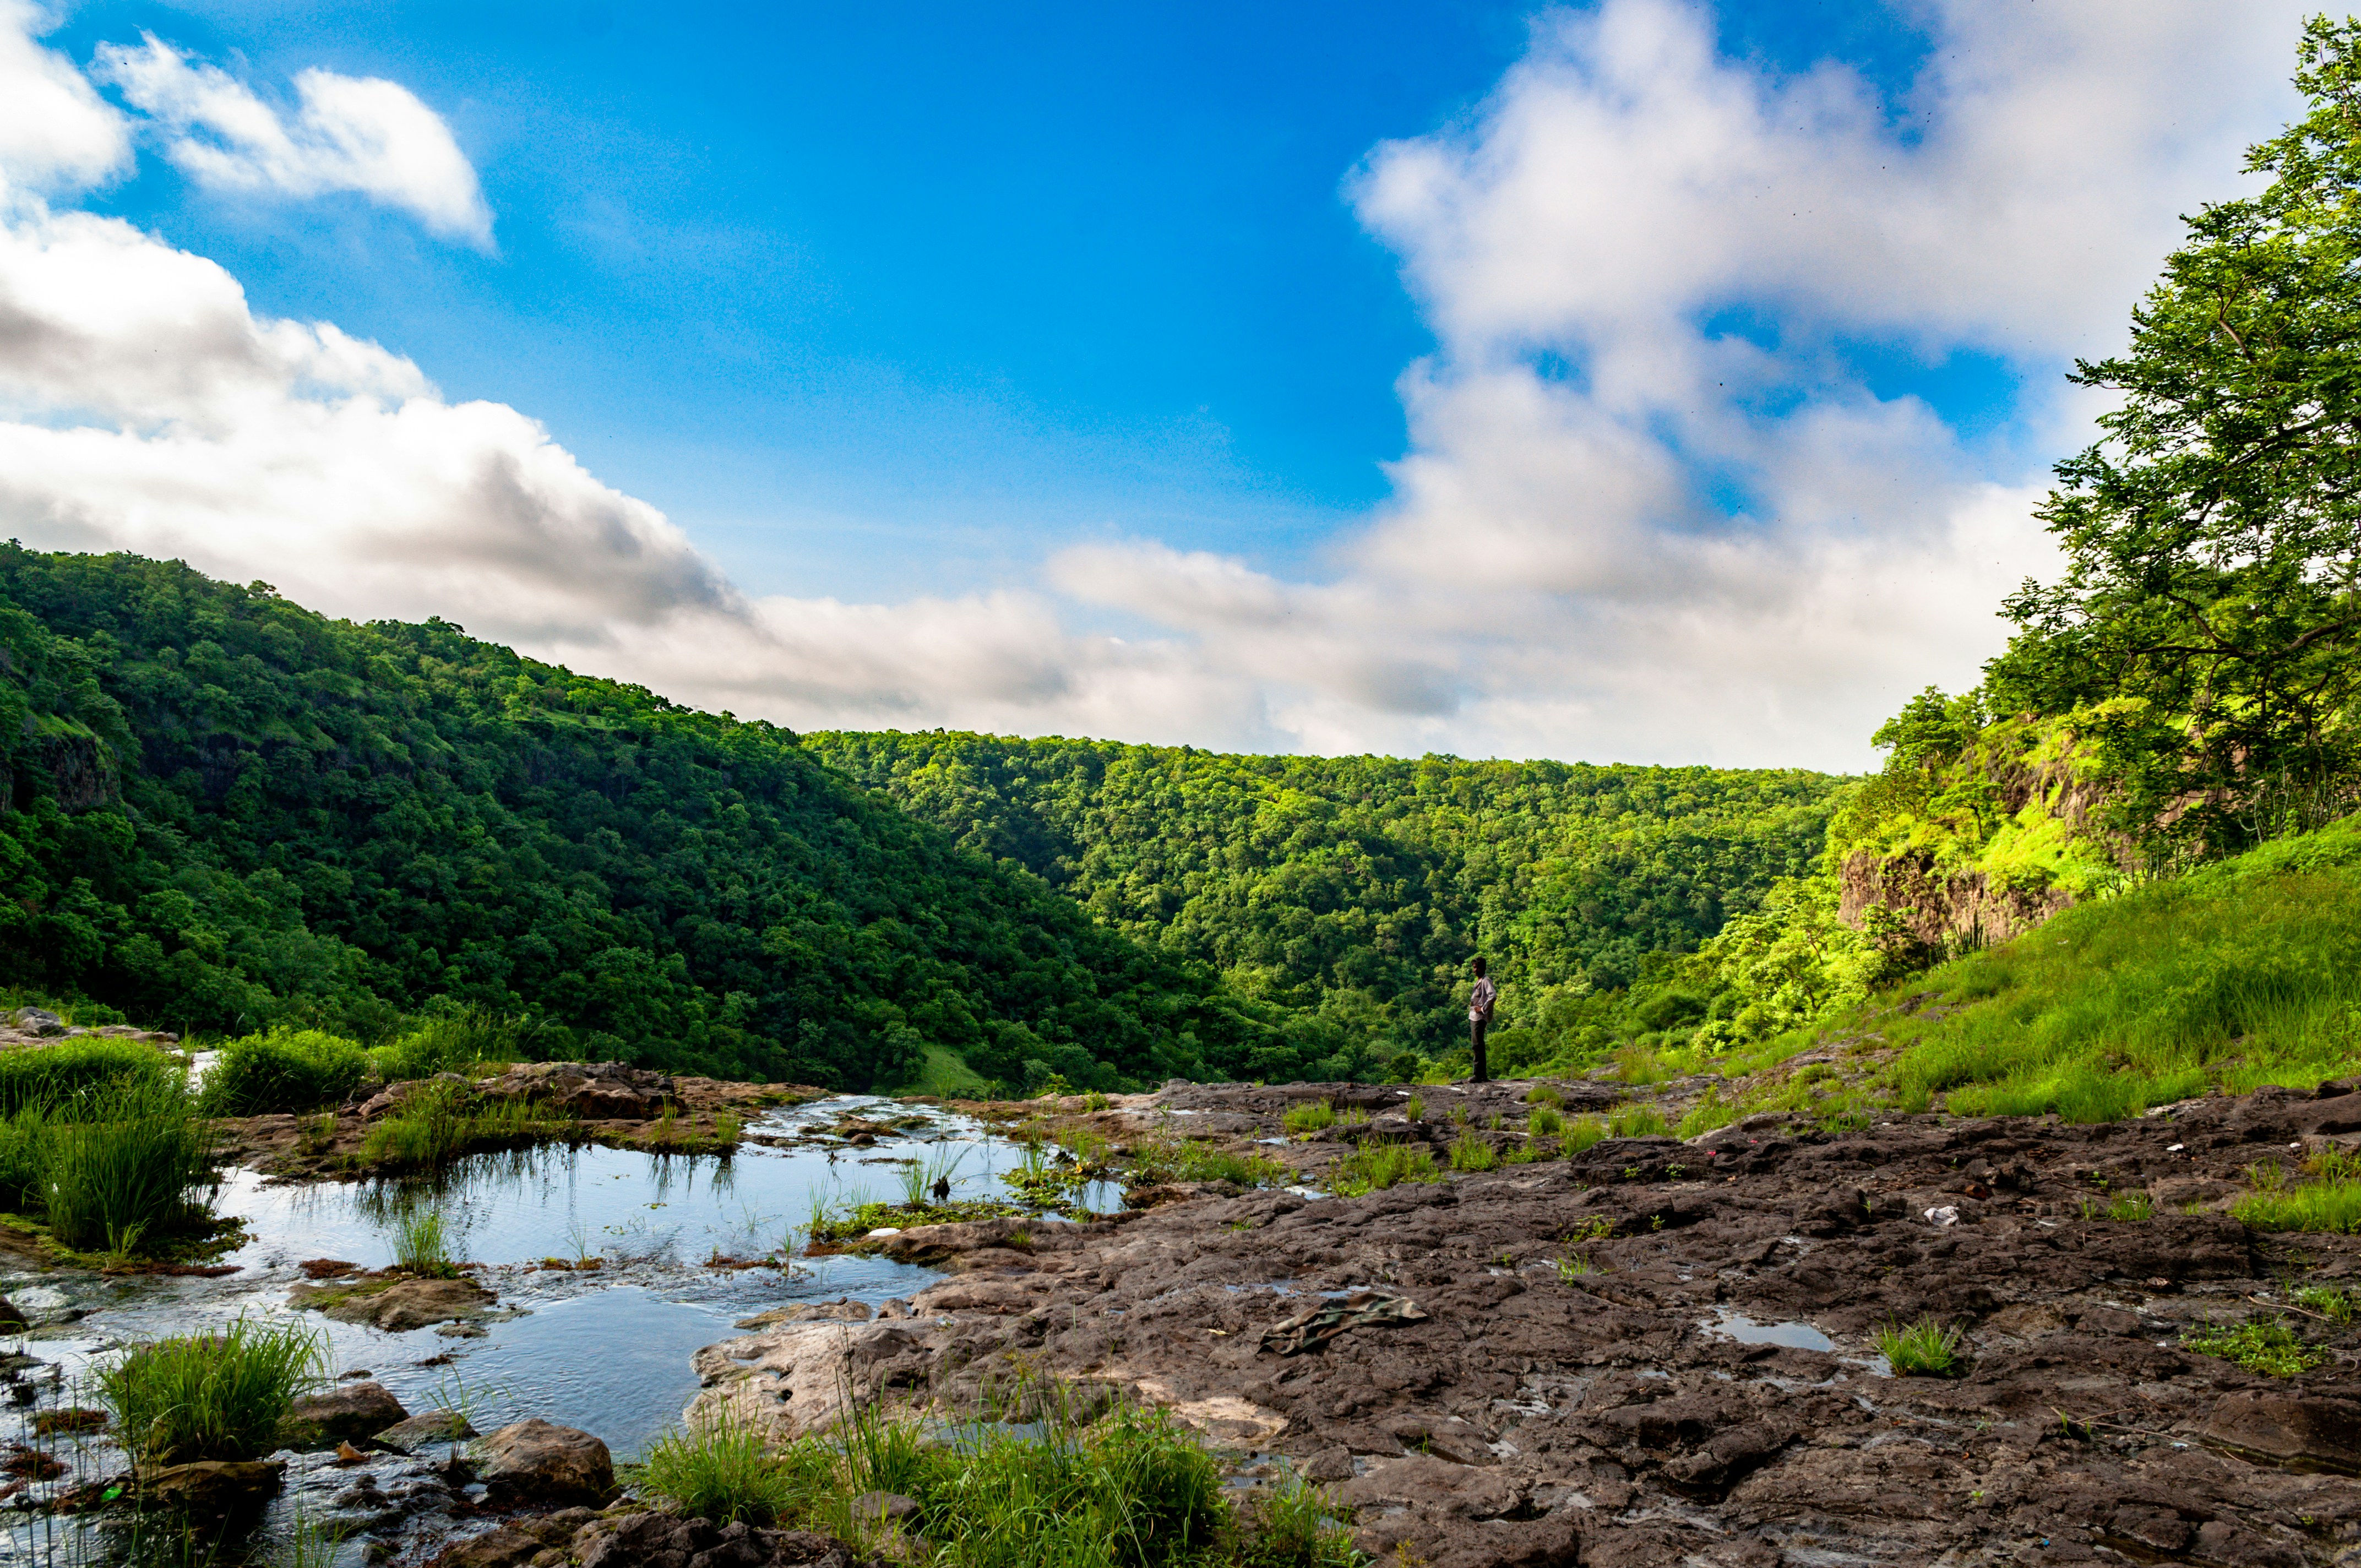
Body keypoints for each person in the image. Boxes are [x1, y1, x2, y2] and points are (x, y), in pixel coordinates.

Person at [1468, 957, 1498, 1083]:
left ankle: (1478, 1075)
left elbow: (1493, 995)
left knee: (1477, 1046)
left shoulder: (1486, 981)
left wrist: (1483, 1009)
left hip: (1479, 1018)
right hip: (1475, 1017)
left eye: (1477, 967)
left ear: (1483, 968)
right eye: (1474, 967)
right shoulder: (1479, 981)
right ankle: (1482, 1075)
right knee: (1478, 1045)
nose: (1475, 970)